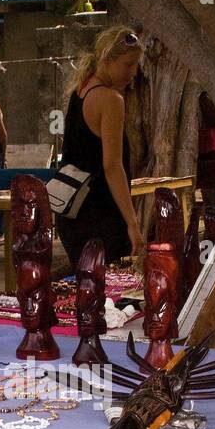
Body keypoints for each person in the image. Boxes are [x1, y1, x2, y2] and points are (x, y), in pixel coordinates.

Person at [54, 25, 146, 272]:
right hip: (100, 215)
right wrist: (133, 224)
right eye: (128, 64)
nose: (133, 72)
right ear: (107, 59)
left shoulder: (80, 90)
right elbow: (112, 166)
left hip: (71, 213)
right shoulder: (111, 100)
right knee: (110, 297)